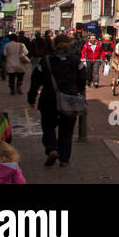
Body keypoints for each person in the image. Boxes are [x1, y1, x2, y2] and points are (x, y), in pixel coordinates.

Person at [27, 36, 87, 168]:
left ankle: (52, 149)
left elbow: (35, 81)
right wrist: (78, 89)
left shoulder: (46, 61)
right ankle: (64, 159)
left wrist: (31, 99)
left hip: (49, 99)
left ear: (54, 45)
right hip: (70, 99)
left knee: (48, 127)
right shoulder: (75, 61)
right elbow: (83, 77)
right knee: (66, 130)